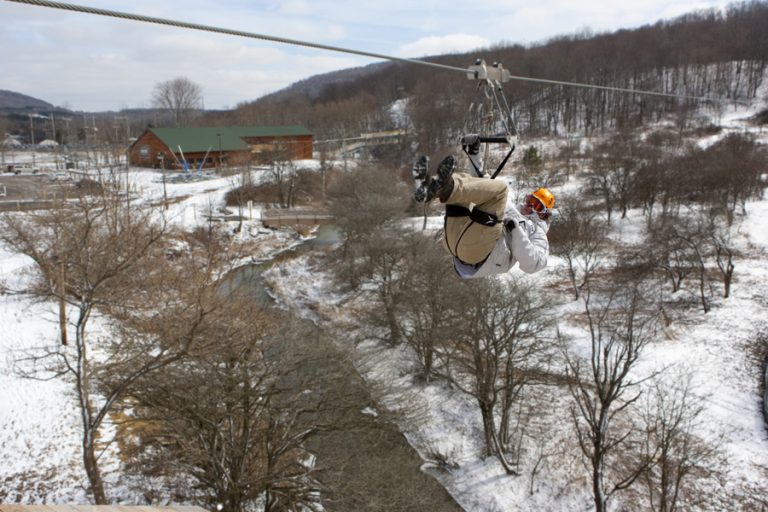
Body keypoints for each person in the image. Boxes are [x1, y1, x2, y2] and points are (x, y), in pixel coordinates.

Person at [412, 154, 554, 279]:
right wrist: (474, 154)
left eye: (536, 205)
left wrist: (515, 230)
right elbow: (482, 184)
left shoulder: (538, 233)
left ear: (543, 213)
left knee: (501, 189)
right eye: (530, 200)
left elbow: (533, 264)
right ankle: (428, 187)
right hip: (453, 244)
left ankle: (442, 189)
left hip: (478, 256)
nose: (529, 205)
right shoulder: (511, 210)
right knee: (467, 184)